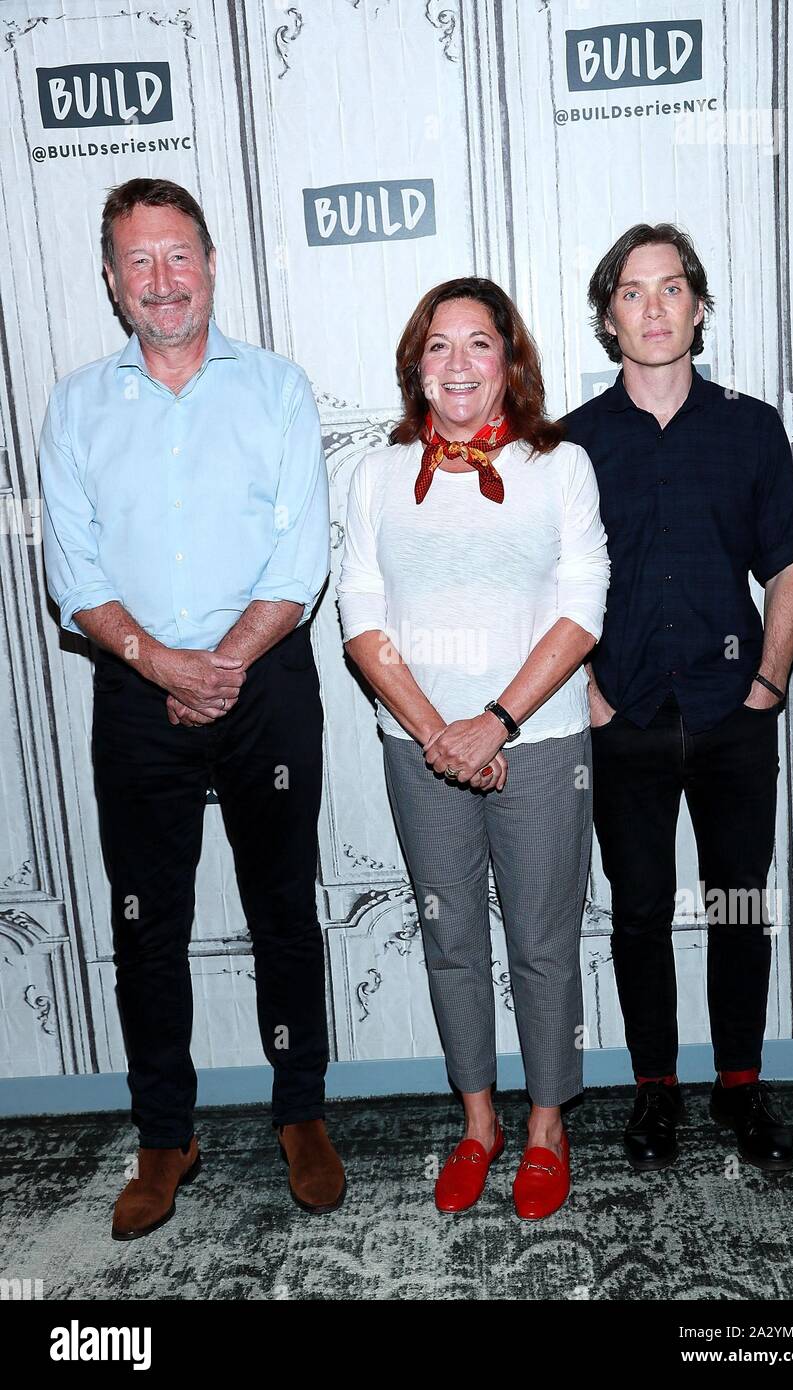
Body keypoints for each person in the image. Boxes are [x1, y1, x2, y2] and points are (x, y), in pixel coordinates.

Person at [39, 177, 343, 1237]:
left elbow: (300, 557)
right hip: (134, 695)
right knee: (145, 922)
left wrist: (215, 665)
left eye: (179, 257)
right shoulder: (75, 404)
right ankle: (165, 1133)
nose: (162, 281)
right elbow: (71, 574)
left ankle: (300, 1109)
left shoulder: (277, 389)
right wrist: (163, 666)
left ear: (211, 265)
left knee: (280, 908)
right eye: (139, 262)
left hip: (263, 686)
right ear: (113, 284)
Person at [336, 276, 609, 1219]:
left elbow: (582, 610)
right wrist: (438, 734)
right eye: (439, 345)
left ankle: (545, 1127)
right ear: (417, 361)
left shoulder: (560, 466)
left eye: (479, 344)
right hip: (419, 749)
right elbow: (362, 618)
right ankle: (478, 1123)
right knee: (452, 941)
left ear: (512, 360)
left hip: (539, 742)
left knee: (541, 943)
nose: (458, 363)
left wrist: (493, 722)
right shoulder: (375, 475)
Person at [560, 223, 793, 1174]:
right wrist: (588, 691)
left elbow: (788, 565)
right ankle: (656, 1090)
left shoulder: (749, 427)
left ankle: (741, 1087)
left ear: (699, 307)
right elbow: (558, 585)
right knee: (637, 915)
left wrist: (768, 685)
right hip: (623, 715)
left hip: (731, 718)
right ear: (608, 315)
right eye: (633, 292)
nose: (655, 308)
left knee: (739, 906)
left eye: (672, 289)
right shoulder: (575, 444)